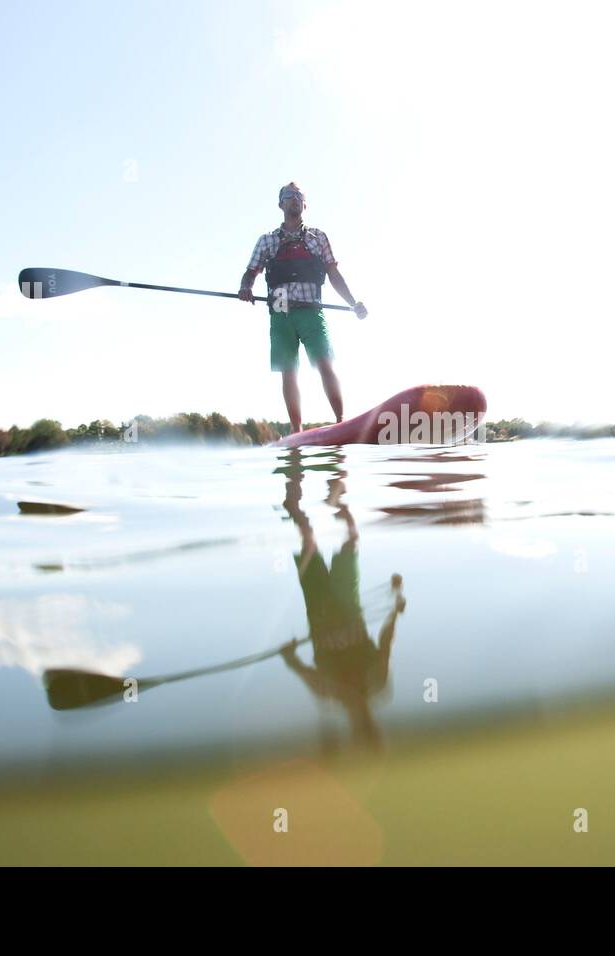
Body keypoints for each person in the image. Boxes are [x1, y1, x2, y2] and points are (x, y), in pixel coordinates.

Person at [277, 450, 403, 750]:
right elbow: (386, 643)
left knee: (307, 537)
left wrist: (291, 657)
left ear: (355, 729)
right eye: (371, 727)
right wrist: (395, 609)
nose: (365, 721)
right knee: (351, 537)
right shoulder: (377, 683)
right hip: (347, 596)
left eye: (363, 729)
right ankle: (337, 497)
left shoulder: (330, 693)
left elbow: (302, 669)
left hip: (318, 600)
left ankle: (292, 493)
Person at [239, 183, 368, 433]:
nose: (294, 200)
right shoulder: (266, 241)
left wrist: (353, 303)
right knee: (289, 371)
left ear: (304, 204)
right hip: (280, 312)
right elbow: (250, 273)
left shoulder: (318, 237)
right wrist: (246, 287)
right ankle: (296, 430)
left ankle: (341, 422)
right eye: (288, 197)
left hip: (311, 309)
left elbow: (334, 274)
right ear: (281, 204)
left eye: (298, 196)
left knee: (324, 363)